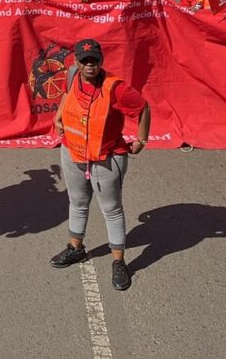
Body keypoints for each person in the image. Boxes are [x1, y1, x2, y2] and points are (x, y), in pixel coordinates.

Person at [50, 38, 151, 293]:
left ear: (101, 61)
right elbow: (66, 96)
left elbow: (142, 107)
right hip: (73, 152)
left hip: (107, 159)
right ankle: (76, 248)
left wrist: (141, 139)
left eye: (94, 60)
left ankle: (118, 261)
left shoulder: (115, 88)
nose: (89, 65)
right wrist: (58, 117)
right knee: (77, 202)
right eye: (85, 61)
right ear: (77, 62)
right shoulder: (73, 76)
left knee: (112, 209)